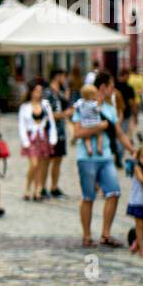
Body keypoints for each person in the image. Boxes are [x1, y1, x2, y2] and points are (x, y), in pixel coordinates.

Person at [72, 71, 136, 248]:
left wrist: (132, 150)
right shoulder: (82, 106)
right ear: (103, 88)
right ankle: (86, 236)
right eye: (111, 87)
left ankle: (105, 234)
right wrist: (98, 126)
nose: (113, 90)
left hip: (106, 156)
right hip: (86, 157)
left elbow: (119, 133)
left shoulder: (109, 108)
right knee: (88, 197)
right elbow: (77, 133)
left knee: (114, 192)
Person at [19, 79, 57, 201]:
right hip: (31, 137)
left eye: (40, 91)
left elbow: (51, 121)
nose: (38, 93)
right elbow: (22, 125)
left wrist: (52, 137)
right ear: (31, 92)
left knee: (41, 165)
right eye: (36, 90)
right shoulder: (25, 107)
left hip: (42, 137)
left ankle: (38, 190)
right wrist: (25, 141)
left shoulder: (45, 104)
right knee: (34, 164)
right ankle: (28, 186)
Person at [43, 69, 73, 198]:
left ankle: (54, 187)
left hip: (61, 130)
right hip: (51, 131)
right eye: (64, 77)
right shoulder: (47, 93)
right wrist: (64, 115)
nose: (65, 79)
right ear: (57, 77)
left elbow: (66, 105)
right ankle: (43, 187)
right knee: (48, 160)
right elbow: (46, 114)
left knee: (58, 159)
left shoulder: (60, 92)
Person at [72, 85, 106, 156]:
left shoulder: (81, 102)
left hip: (85, 124)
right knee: (99, 135)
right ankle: (99, 147)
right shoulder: (93, 104)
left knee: (87, 137)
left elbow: (75, 106)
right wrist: (100, 104)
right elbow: (98, 110)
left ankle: (89, 149)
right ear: (92, 95)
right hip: (95, 123)